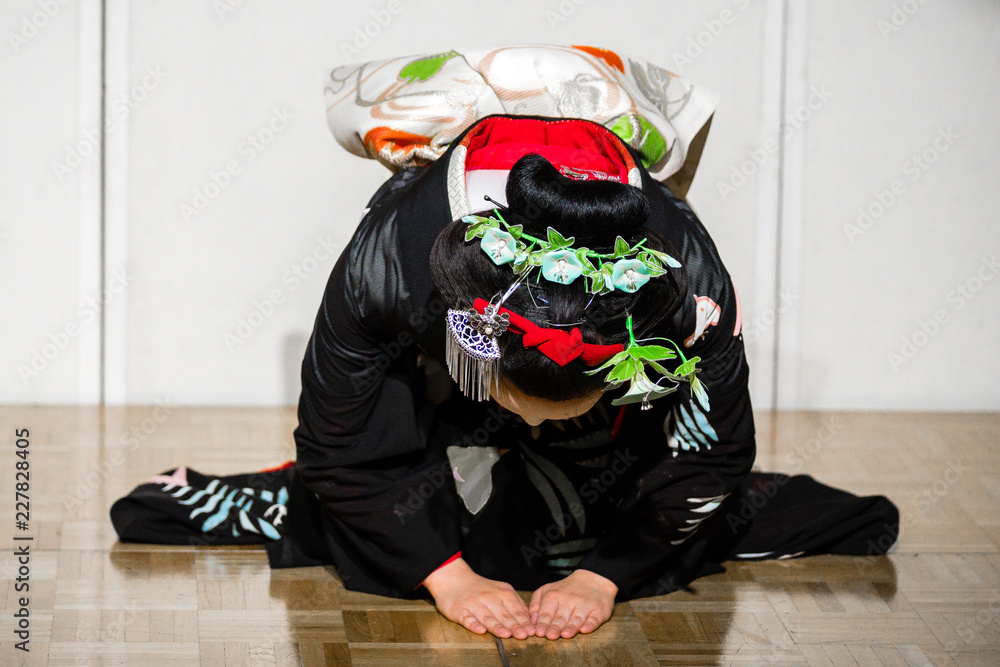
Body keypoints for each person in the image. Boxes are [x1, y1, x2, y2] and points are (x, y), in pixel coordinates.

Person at [111, 114, 900, 641]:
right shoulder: (388, 266)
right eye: (528, 406)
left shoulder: (685, 287)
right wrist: (446, 579)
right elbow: (340, 435)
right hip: (445, 392)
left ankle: (577, 505)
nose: (538, 422)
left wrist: (604, 578)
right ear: (475, 343)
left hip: (615, 423)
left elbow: (710, 452)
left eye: (564, 405)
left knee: (583, 536)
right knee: (418, 520)